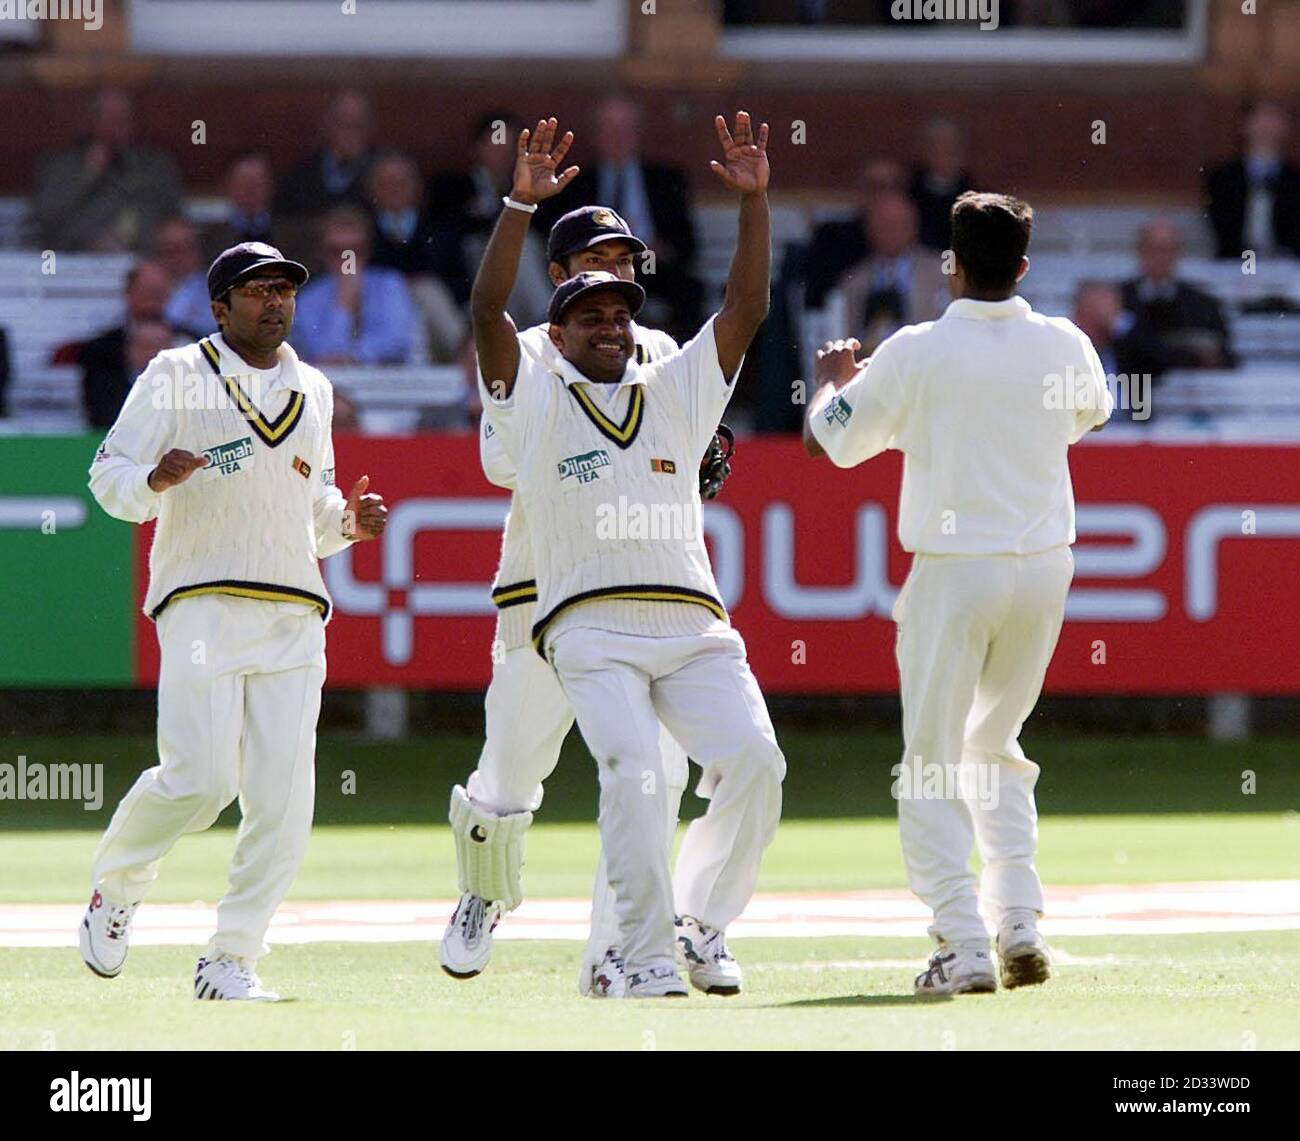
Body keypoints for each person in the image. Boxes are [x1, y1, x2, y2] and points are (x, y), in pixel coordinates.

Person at [470, 115, 784, 998]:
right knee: (611, 773)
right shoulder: (532, 391)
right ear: (558, 327)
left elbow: (747, 309)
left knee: (755, 764)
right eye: (589, 313)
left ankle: (695, 921)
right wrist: (516, 206)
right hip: (581, 623)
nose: (610, 323)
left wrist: (755, 203)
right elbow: (487, 311)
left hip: (691, 620)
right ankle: (632, 956)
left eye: (621, 310)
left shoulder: (673, 378)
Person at [803, 191, 1112, 996]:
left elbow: (831, 442)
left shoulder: (918, 349)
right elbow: (1092, 414)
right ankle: (1017, 919)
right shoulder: (1063, 342)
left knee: (933, 761)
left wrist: (834, 383)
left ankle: (961, 937)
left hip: (955, 569)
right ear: (1023, 265)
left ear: (951, 265)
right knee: (995, 744)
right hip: (1043, 566)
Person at [81, 241, 388, 1001]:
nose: (274, 301)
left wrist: (347, 523)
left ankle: (231, 958)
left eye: (283, 289)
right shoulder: (176, 374)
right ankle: (116, 888)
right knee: (200, 779)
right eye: (256, 291)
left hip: (292, 609)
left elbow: (310, 509)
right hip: (202, 600)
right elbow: (108, 475)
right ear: (219, 309)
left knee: (284, 805)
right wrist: (155, 479)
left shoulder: (313, 389)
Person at [441, 202, 734, 998]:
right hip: (543, 588)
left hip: (647, 592)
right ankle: (483, 890)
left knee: (652, 776)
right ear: (560, 275)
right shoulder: (528, 351)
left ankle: (617, 949)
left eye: (629, 259)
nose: (621, 271)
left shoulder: (660, 349)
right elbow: (503, 461)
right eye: (600, 258)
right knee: (513, 765)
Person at [535, 96, 703, 343]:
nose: (617, 137)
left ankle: (684, 371)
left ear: (637, 133)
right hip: (592, 269)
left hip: (651, 263)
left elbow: (687, 244)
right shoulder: (577, 182)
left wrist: (662, 248)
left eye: (624, 129)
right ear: (597, 135)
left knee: (690, 290)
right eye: (609, 129)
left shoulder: (665, 180)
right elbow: (549, 233)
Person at [32, 88, 184, 253]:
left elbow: (175, 216)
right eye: (109, 118)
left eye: (122, 119)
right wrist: (90, 174)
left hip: (148, 259)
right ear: (89, 122)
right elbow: (48, 217)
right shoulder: (59, 166)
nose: (115, 127)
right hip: (78, 260)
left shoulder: (155, 166)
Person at [366, 151, 468, 361]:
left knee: (427, 291)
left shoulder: (441, 232)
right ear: (371, 190)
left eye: (401, 182)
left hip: (437, 323)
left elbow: (461, 284)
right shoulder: (361, 233)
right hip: (379, 321)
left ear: (417, 188)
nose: (394, 189)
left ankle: (468, 359)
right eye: (386, 183)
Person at [54, 259, 174, 430]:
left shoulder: (194, 343)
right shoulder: (98, 352)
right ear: (128, 293)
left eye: (159, 294)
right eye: (147, 293)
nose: (153, 302)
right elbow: (99, 413)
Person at [292, 205, 417, 365]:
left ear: (368, 251)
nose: (346, 260)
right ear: (322, 253)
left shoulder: (390, 284)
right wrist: (343, 306)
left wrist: (356, 356)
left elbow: (397, 342)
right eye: (336, 252)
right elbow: (324, 353)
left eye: (354, 251)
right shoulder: (309, 298)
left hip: (386, 383)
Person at [1113, 218, 1234, 380]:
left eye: (1167, 250)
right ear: (1140, 252)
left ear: (1178, 253)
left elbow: (1224, 356)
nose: (1160, 258)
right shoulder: (1116, 300)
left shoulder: (1203, 305)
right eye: (1154, 249)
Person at [833, 191, 948, 355]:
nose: (893, 232)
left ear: (914, 227)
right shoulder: (853, 281)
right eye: (884, 225)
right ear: (869, 229)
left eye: (900, 225)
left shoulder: (941, 274)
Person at [1206, 100, 1300, 260]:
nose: (1265, 127)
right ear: (1244, 125)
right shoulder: (1223, 177)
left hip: (1286, 263)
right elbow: (1222, 225)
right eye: (1259, 119)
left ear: (1285, 127)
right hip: (1235, 262)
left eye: (1273, 119)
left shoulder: (1295, 179)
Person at [908, 119, 975, 252]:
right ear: (926, 152)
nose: (948, 155)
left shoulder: (978, 199)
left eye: (953, 148)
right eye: (940, 148)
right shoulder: (909, 200)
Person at [203, 152, 283, 261]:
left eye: (257, 184)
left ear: (271, 185)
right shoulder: (209, 240)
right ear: (227, 186)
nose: (251, 191)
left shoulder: (292, 235)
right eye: (243, 184)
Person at [153, 216, 212, 338]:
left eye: (181, 249)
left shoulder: (212, 290)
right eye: (167, 249)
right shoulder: (148, 289)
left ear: (196, 251)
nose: (175, 257)